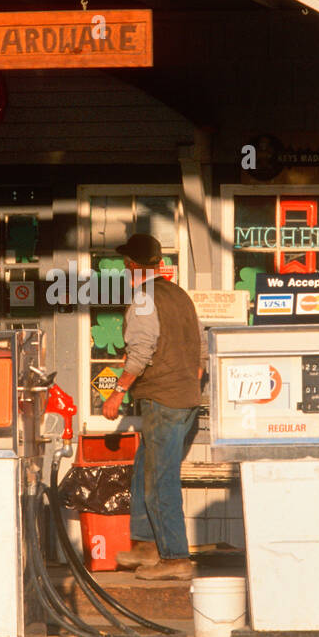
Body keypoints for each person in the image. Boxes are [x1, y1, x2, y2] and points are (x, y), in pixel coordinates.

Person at [101, 233, 207, 581]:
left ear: (131, 266)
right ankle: (146, 546)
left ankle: (175, 558)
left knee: (160, 480)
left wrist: (117, 393)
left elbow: (141, 352)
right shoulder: (180, 296)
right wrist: (187, 383)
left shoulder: (144, 300)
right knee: (146, 469)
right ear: (158, 262)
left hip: (163, 400)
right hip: (184, 397)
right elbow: (202, 353)